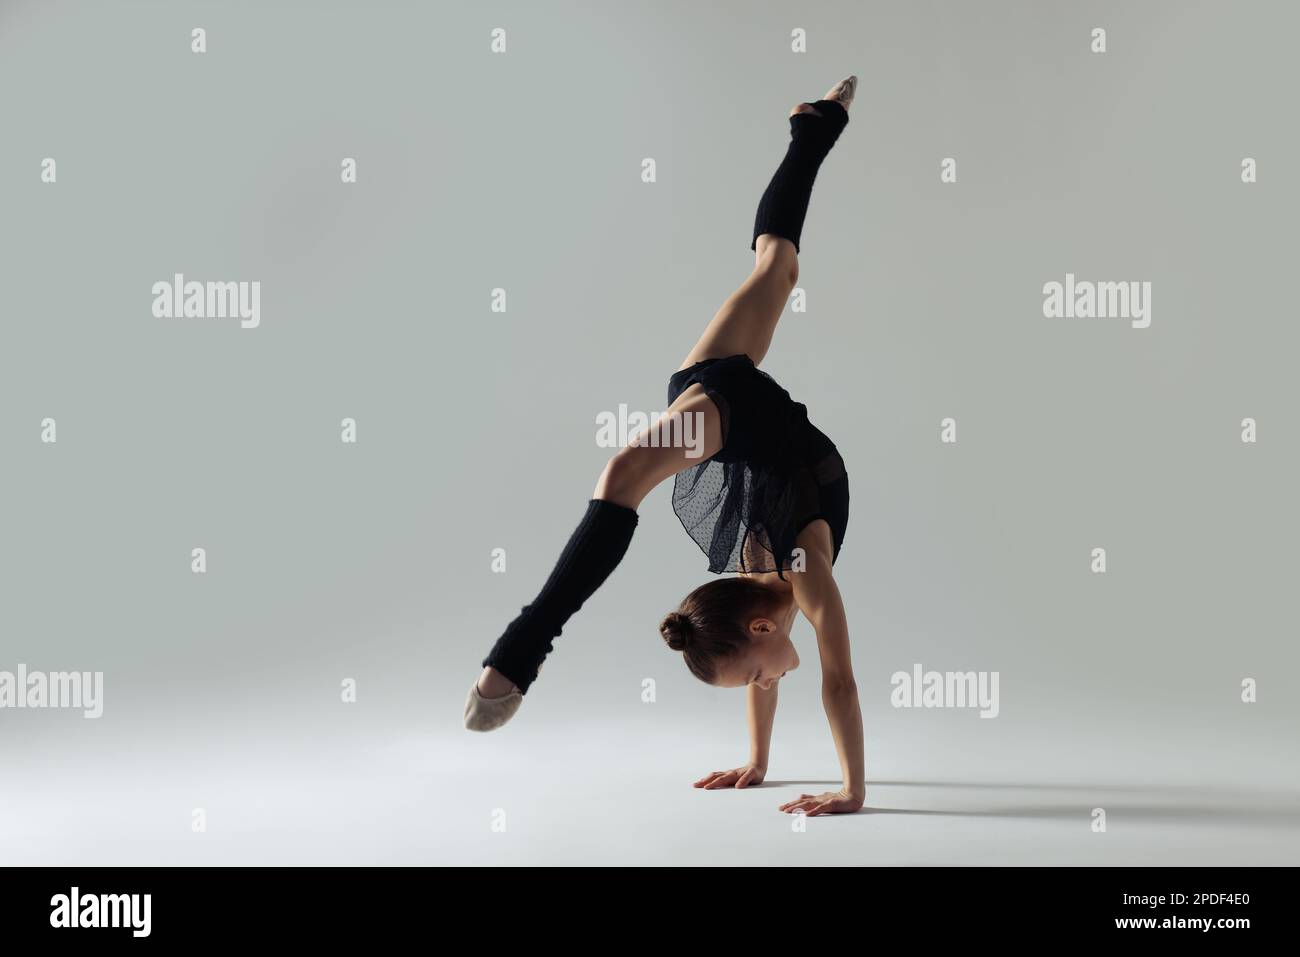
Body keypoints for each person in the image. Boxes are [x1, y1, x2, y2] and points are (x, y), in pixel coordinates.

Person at [466, 77, 865, 816]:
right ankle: (814, 128)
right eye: (749, 683)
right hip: (726, 397)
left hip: (736, 417)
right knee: (776, 262)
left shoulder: (795, 586)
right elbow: (780, 671)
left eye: (749, 676)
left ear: (758, 625)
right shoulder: (773, 577)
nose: (762, 682)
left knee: (624, 471)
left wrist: (852, 789)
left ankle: (525, 644)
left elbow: (836, 682)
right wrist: (758, 761)